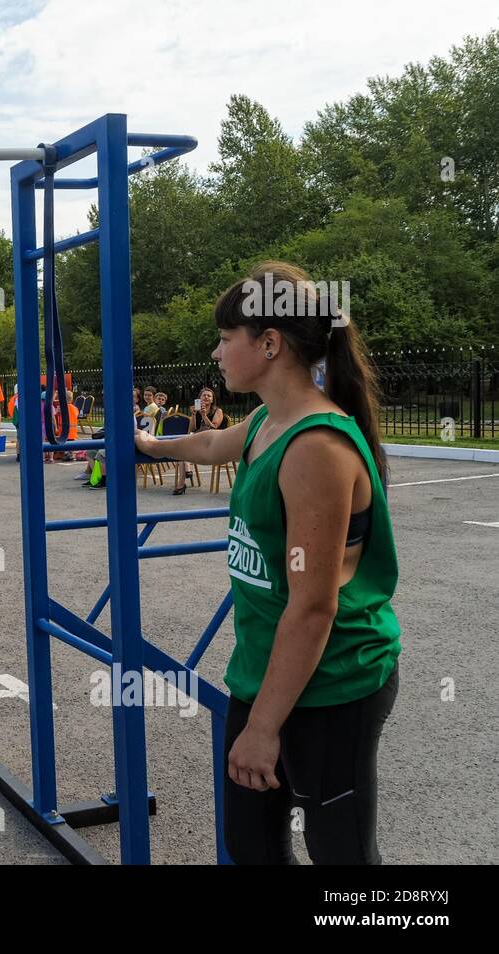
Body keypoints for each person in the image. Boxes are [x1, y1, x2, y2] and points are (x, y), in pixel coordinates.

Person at [135, 261, 399, 864]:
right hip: (267, 672)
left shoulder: (314, 448)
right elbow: (208, 443)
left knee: (344, 858)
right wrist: (148, 444)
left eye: (227, 338)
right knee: (251, 845)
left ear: (270, 343)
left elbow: (313, 606)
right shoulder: (266, 421)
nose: (217, 351)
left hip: (333, 682)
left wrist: (262, 730)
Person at [172, 386, 226, 496]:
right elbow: (191, 430)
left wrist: (204, 416)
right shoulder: (196, 411)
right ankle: (182, 482)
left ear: (212, 399)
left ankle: (185, 476)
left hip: (212, 441)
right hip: (197, 441)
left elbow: (213, 429)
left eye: (209, 396)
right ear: (199, 398)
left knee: (183, 451)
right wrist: (193, 415)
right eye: (203, 395)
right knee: (182, 450)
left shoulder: (217, 411)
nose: (206, 397)